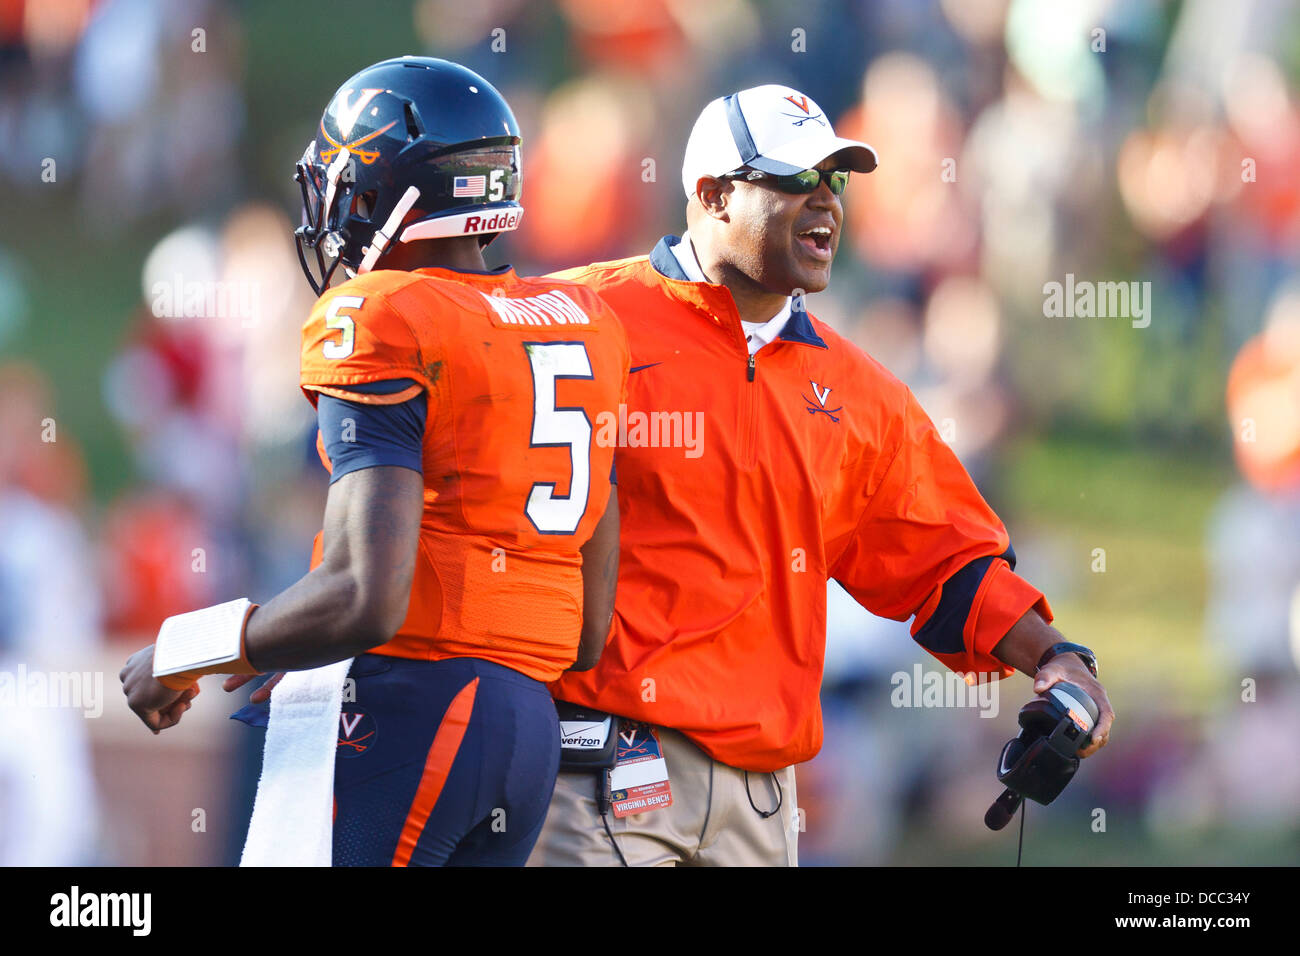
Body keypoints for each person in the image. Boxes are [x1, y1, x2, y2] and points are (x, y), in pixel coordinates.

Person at [527, 84, 1115, 867]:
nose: (825, 204)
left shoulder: (861, 391)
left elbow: (946, 564)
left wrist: (1053, 655)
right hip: (599, 770)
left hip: (763, 801)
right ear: (712, 194)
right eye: (794, 180)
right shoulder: (572, 319)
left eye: (834, 182)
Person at [120, 56, 629, 866]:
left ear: (387, 193)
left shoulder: (387, 313)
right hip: (527, 731)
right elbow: (591, 628)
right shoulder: (585, 322)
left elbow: (364, 595)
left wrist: (187, 649)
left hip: (413, 710)